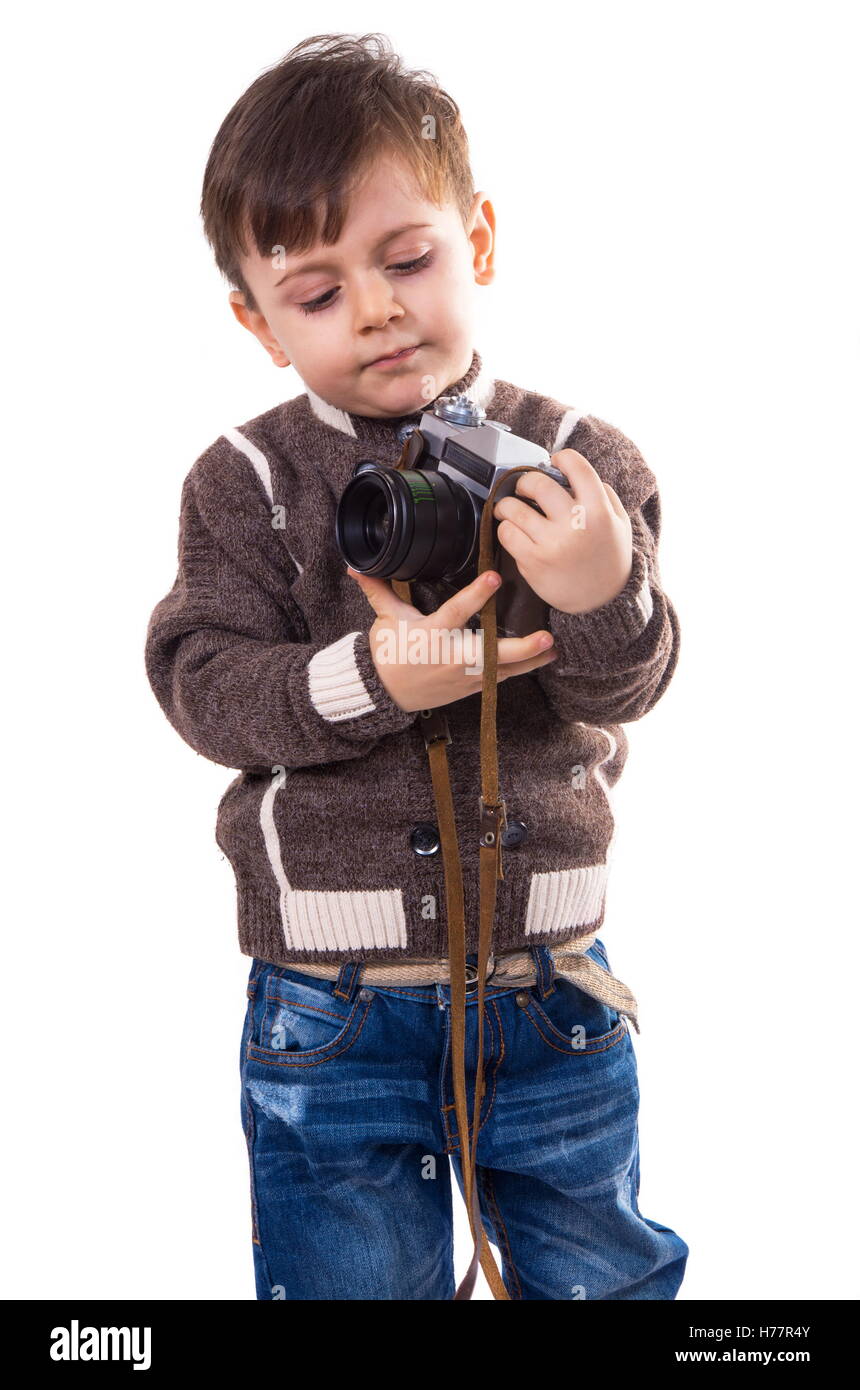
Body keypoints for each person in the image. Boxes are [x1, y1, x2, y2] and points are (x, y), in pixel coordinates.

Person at [144, 31, 689, 1300]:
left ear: (477, 241)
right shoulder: (247, 479)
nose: (377, 309)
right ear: (257, 322)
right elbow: (202, 682)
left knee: (601, 1278)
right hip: (331, 1000)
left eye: (406, 260)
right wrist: (371, 679)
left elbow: (626, 684)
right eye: (316, 294)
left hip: (548, 987)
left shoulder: (576, 455)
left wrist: (600, 588)